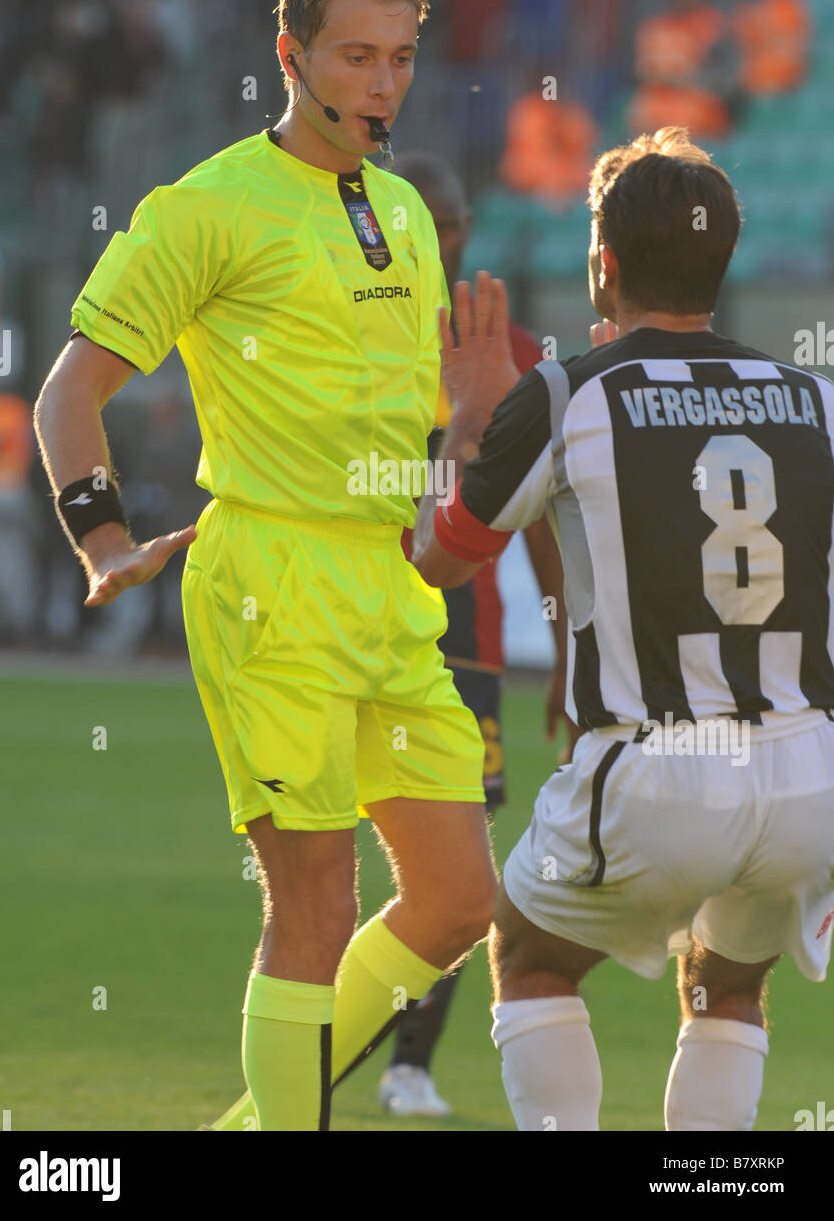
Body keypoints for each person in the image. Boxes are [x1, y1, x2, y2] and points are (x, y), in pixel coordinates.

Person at [33, 0, 505, 1133]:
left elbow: (414, 429)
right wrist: (102, 539)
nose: (384, 82)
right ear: (289, 59)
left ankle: (256, 1122)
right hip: (267, 581)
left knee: (455, 899)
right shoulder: (205, 206)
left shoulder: (402, 208)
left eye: (400, 57)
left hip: (383, 581)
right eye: (357, 55)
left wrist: (477, 416)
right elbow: (66, 393)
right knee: (313, 911)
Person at [412, 124, 834, 1131]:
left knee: (531, 954)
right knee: (725, 986)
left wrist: (468, 427)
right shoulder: (815, 401)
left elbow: (441, 561)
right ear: (722, 259)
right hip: (807, 772)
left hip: (654, 767)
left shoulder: (562, 392)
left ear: (601, 262)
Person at [377, 151, 578, 1117]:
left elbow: (544, 516)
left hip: (464, 643)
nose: (441, 234)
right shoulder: (351, 332)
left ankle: (408, 1062)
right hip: (347, 623)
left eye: (450, 218)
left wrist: (570, 645)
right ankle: (318, 1048)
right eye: (421, 215)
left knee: (459, 858)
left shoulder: (513, 351)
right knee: (330, 846)